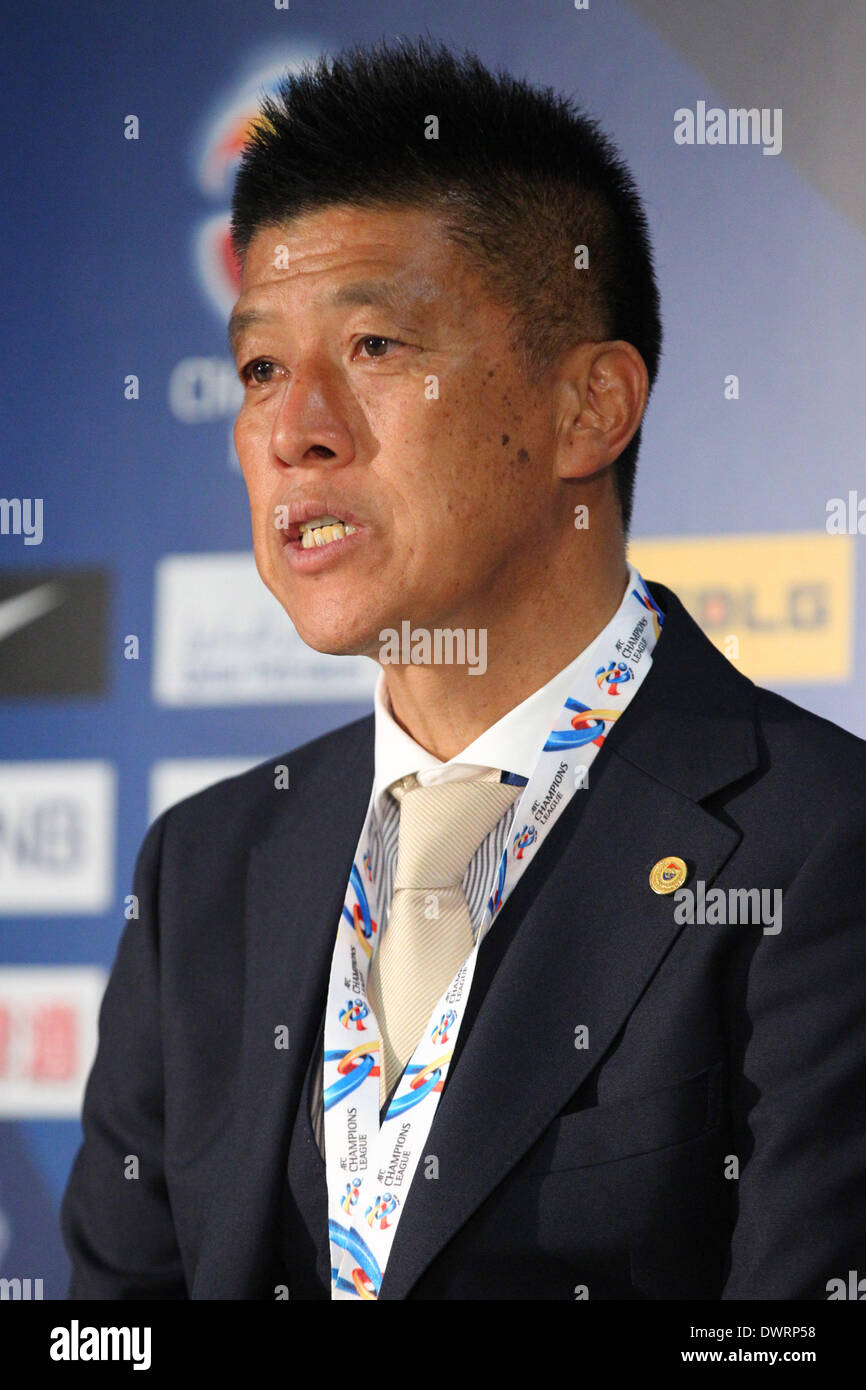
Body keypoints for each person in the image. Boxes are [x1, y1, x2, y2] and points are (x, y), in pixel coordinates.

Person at [62, 37, 866, 1301]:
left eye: (374, 345)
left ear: (587, 407)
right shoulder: (204, 868)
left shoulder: (818, 844)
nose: (291, 428)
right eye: (262, 365)